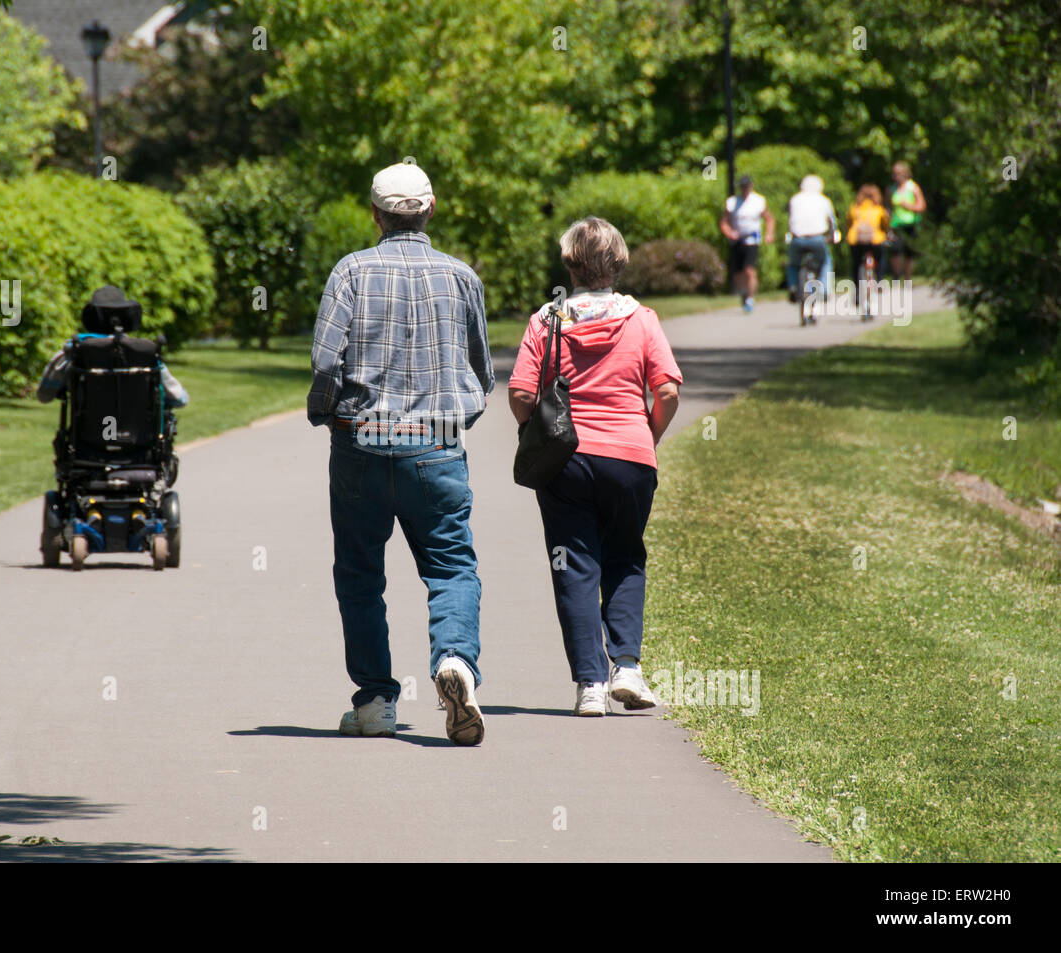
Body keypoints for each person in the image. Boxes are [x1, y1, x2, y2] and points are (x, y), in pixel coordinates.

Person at [308, 162, 493, 746]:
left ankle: (376, 703)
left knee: (361, 576)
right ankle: (456, 662)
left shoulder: (351, 272)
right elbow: (481, 371)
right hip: (436, 447)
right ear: (430, 209)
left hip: (360, 444)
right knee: (451, 567)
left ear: (375, 214)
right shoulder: (461, 277)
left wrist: (324, 410)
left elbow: (323, 363)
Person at [508, 217, 683, 716]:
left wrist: (535, 433)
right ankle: (626, 666)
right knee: (625, 556)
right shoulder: (642, 319)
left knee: (574, 565)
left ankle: (590, 684)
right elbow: (667, 390)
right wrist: (647, 436)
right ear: (619, 264)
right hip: (630, 456)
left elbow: (521, 392)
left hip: (567, 460)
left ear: (570, 263)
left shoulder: (547, 320)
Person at [36, 285, 188, 407]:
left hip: (88, 437)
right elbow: (179, 399)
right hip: (140, 438)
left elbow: (44, 395)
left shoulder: (74, 352)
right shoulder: (144, 352)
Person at [720, 174, 775, 313]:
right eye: (742, 186)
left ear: (751, 186)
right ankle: (744, 293)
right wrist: (729, 233)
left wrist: (769, 234)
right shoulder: (732, 202)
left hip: (752, 239)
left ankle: (750, 298)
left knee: (749, 270)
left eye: (747, 186)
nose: (745, 189)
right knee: (738, 274)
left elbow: (769, 219)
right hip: (737, 239)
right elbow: (724, 222)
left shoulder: (758, 201)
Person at [785, 175, 838, 302]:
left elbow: (790, 220)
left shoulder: (794, 199)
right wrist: (832, 235)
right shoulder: (824, 200)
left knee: (793, 264)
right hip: (817, 239)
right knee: (825, 260)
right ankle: (825, 289)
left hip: (797, 238)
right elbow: (832, 222)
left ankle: (793, 287)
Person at [846, 184, 890, 307]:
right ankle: (879, 280)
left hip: (857, 240)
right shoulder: (879, 209)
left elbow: (848, 222)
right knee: (881, 258)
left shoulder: (855, 208)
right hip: (875, 240)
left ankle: (857, 289)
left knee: (856, 264)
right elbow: (885, 224)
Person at [887, 161, 926, 280]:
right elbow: (887, 207)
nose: (895, 176)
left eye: (898, 173)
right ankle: (897, 275)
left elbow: (922, 206)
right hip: (895, 224)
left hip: (911, 224)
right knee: (895, 250)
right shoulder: (891, 189)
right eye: (894, 174)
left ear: (905, 173)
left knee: (910, 252)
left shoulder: (913, 187)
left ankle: (908, 277)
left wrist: (908, 206)